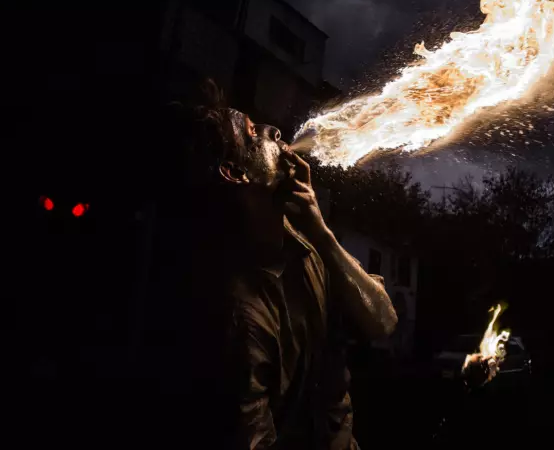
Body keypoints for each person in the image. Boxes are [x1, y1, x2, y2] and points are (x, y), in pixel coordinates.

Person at [145, 84, 397, 449]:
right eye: (253, 133)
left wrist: (321, 232)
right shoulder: (236, 313)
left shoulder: (310, 245)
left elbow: (383, 321)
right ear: (234, 172)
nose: (274, 131)